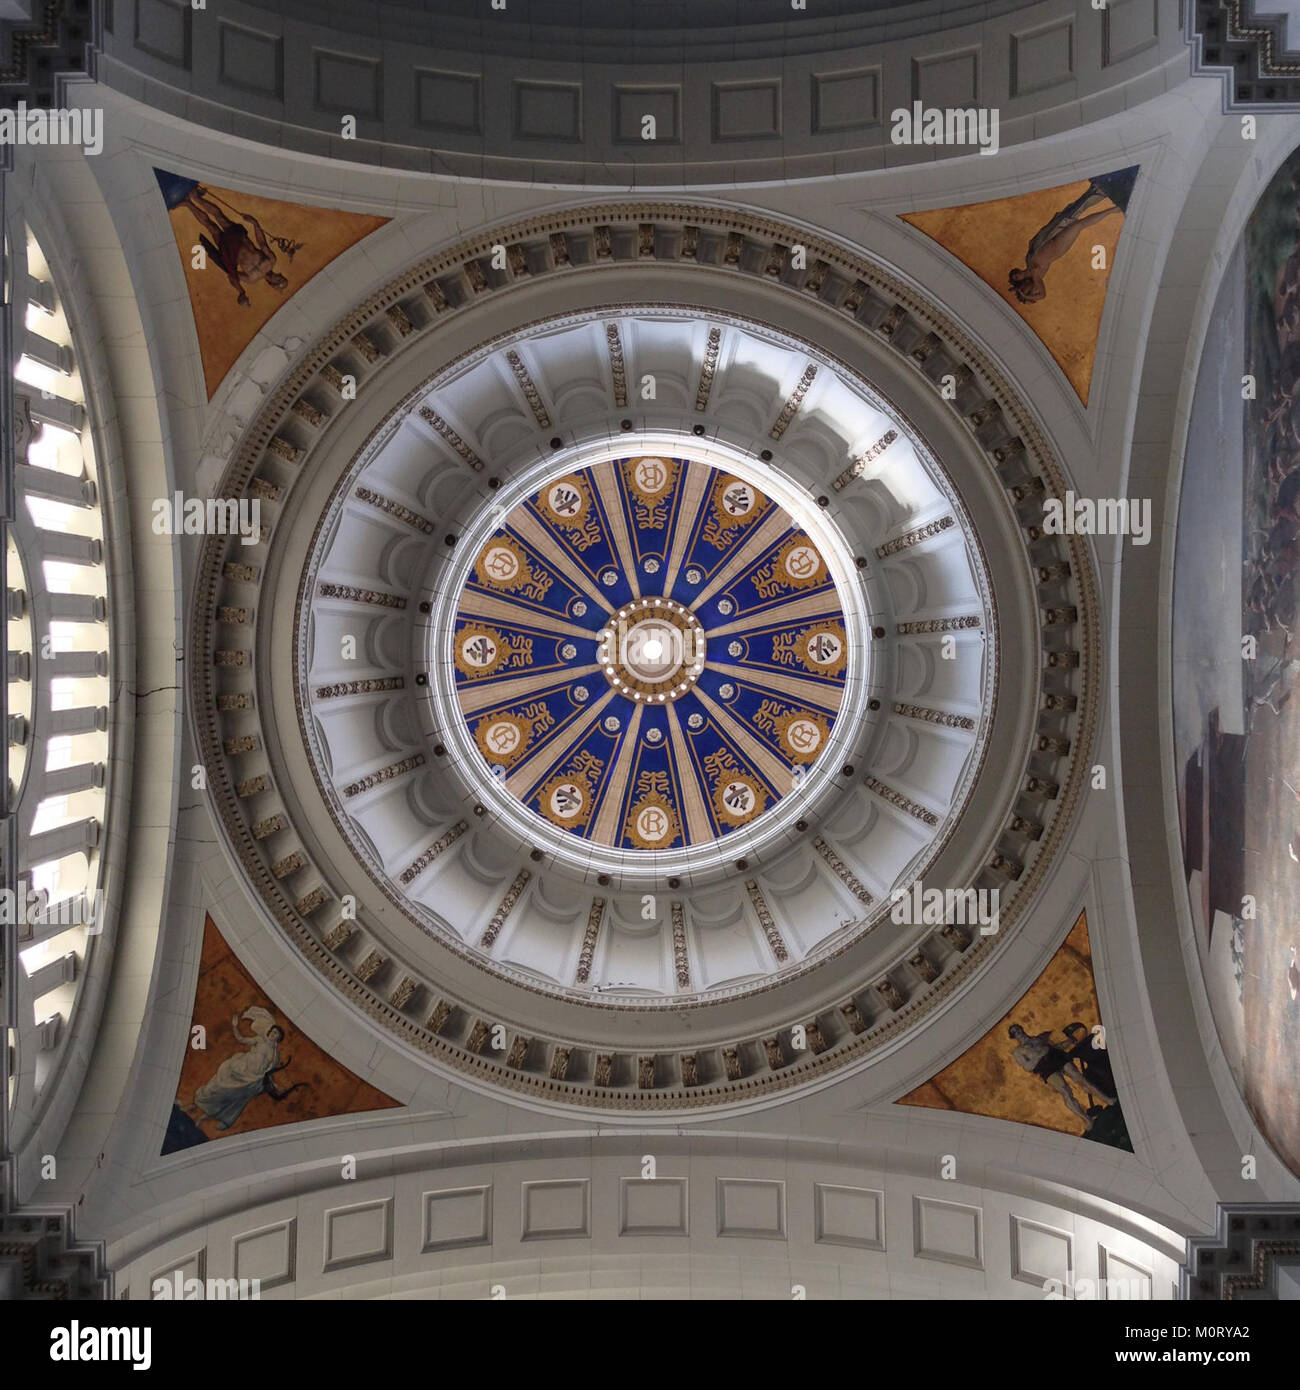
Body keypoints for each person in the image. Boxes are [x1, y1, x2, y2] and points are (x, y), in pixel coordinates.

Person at [1007, 168, 1137, 305]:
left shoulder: (1029, 262)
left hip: (1052, 234)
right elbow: (1042, 295)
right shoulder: (1036, 277)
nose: (1020, 275)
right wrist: (1023, 295)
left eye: (1016, 274)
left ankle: (1098, 192)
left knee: (1074, 211)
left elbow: (1033, 243)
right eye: (1018, 278)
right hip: (1059, 245)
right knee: (1079, 225)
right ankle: (1111, 208)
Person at [186, 1007, 297, 1132]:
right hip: (238, 1070)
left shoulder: (275, 1056)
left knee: (230, 1101)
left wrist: (276, 1086)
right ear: (269, 1031)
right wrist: (235, 1026)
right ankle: (194, 1105)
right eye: (273, 1031)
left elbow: (268, 1074)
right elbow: (241, 1039)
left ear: (279, 1038)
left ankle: (203, 1119)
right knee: (215, 1087)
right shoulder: (259, 1040)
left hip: (251, 1081)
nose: (273, 1034)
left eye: (276, 1034)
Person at [1008, 1022, 1115, 1131]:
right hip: (1045, 1068)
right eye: (1015, 1032)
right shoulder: (1018, 1051)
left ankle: (1106, 1099)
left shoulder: (1039, 1038)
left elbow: (1056, 1047)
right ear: (1014, 1037)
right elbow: (1027, 1067)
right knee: (1065, 1091)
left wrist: (1069, 1042)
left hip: (1057, 1057)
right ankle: (1087, 1119)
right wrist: (1040, 1055)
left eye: (1018, 1029)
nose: (1018, 1033)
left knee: (1081, 1079)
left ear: (1022, 1029)